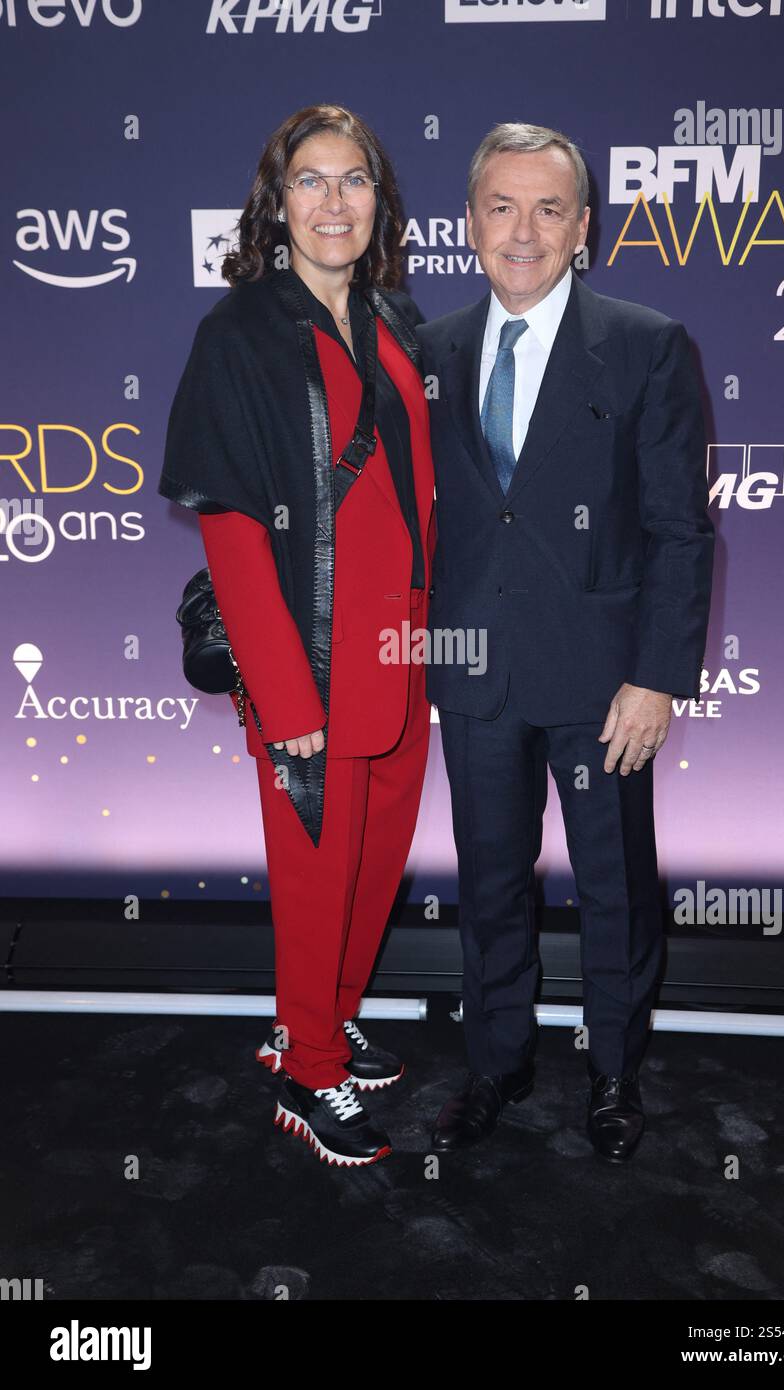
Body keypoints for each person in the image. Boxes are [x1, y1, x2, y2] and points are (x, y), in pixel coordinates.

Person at [417, 123, 714, 1163]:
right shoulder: (429, 349)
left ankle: (613, 1074)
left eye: (548, 208)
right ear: (469, 223)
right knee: (488, 881)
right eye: (501, 206)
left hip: (602, 684)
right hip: (472, 674)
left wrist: (656, 676)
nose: (523, 230)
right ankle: (496, 1062)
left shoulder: (644, 341)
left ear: (583, 227)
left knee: (612, 883)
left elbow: (681, 527)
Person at [158, 105, 435, 1168]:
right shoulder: (236, 334)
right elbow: (229, 527)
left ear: (378, 199)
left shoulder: (396, 320)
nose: (333, 202)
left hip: (402, 658)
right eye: (309, 182)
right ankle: (306, 1070)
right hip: (309, 661)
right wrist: (285, 697)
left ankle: (327, 1012)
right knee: (317, 872)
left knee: (374, 865)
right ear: (276, 205)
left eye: (352, 179)